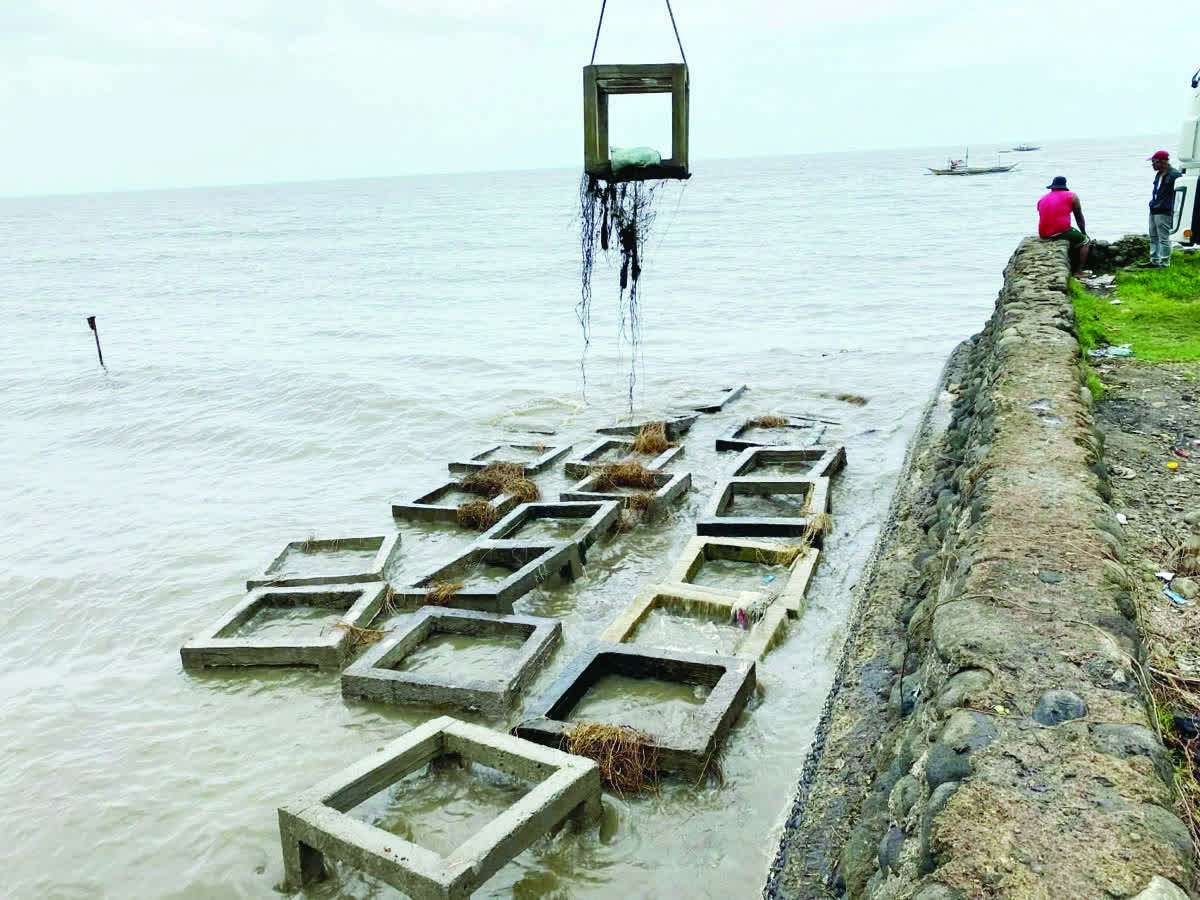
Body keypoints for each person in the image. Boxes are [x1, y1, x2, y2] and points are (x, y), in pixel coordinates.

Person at [1037, 175, 1089, 273]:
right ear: (1064, 186)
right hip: (1060, 231)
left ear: (1052, 187)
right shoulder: (1072, 196)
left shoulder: (1042, 199)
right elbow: (1079, 218)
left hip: (1043, 233)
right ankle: (1079, 271)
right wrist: (1083, 232)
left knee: (1071, 235)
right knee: (1085, 241)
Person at [1148, 149, 1181, 267]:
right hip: (1154, 209)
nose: (1152, 164)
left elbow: (1179, 194)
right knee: (1153, 236)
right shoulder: (1159, 174)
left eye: (1154, 162)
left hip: (1164, 211)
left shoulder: (1174, 175)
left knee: (1164, 238)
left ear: (1162, 162)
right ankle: (1154, 260)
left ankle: (1164, 263)